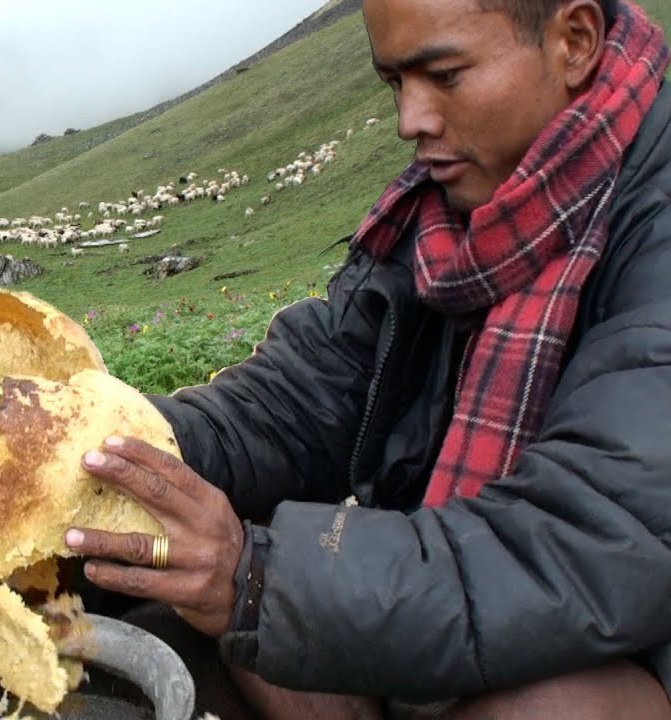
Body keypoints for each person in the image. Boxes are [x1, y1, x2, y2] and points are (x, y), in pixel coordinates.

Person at [65, 1, 671, 718]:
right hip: (430, 627)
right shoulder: (449, 215)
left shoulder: (650, 229)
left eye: (443, 75)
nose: (409, 120)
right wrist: (99, 446)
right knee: (145, 639)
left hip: (604, 656)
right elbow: (303, 400)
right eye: (393, 83)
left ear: (574, 41)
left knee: (560, 709)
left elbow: (591, 546)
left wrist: (254, 578)